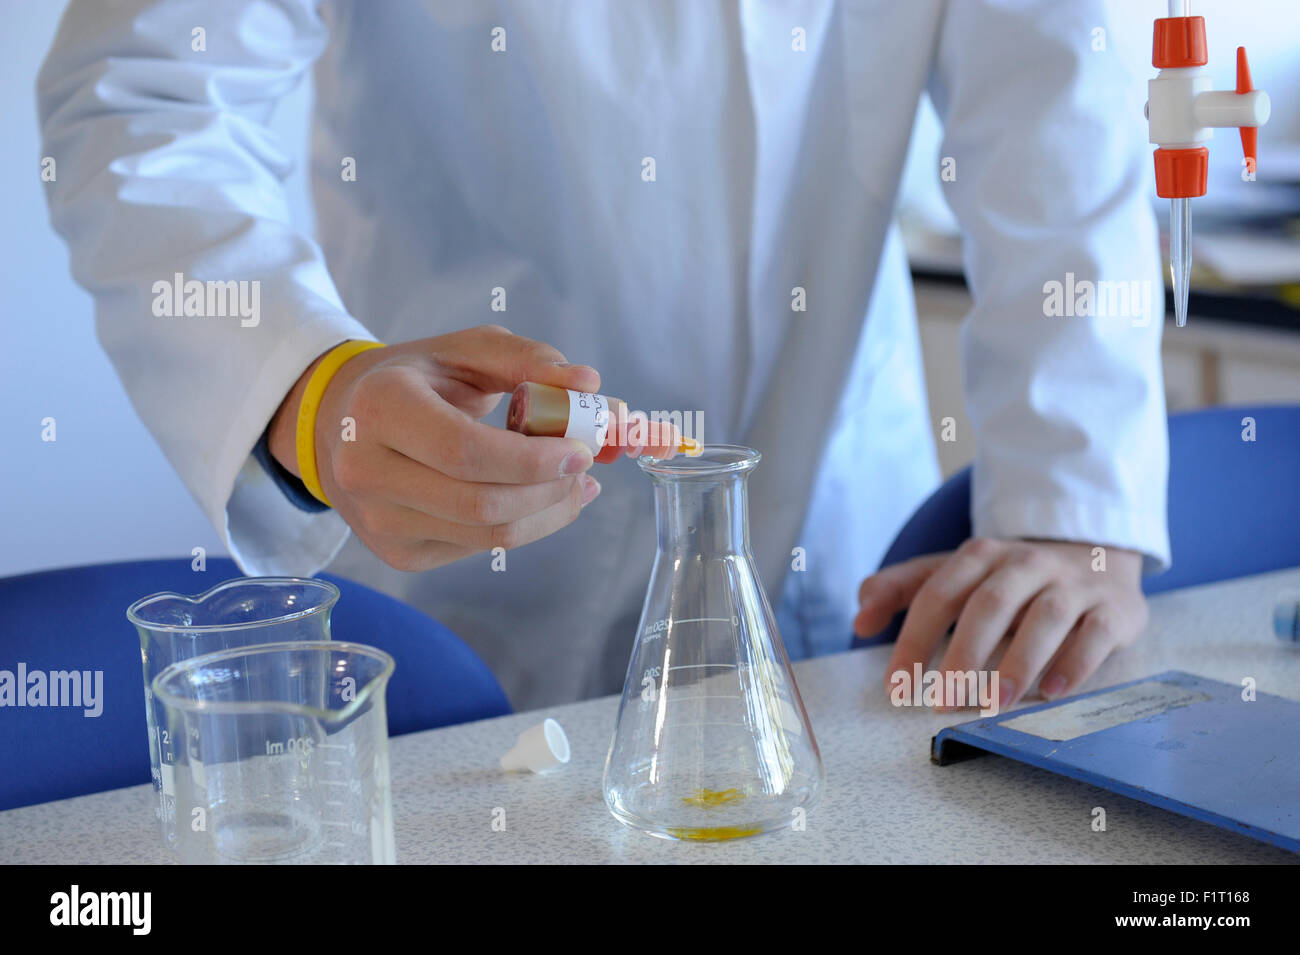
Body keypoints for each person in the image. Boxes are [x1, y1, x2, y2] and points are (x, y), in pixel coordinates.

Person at [38, 0, 1166, 710]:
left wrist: (1075, 507)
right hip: (458, 546)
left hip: (831, 521)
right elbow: (146, 97)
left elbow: (1063, 88)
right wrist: (306, 388)